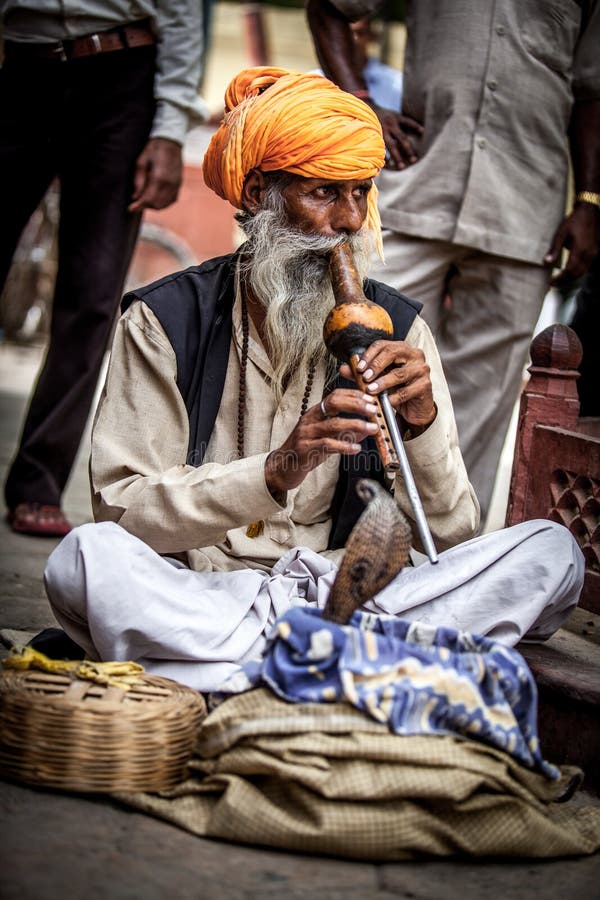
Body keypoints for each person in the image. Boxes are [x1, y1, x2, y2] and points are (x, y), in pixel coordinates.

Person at [44, 67, 584, 693]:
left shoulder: (399, 330)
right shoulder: (164, 319)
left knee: (552, 552)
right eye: (325, 193)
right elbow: (122, 511)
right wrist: (276, 471)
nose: (349, 220)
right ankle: (355, 669)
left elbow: (452, 537)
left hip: (352, 597)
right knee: (87, 559)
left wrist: (422, 426)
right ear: (257, 193)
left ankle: (251, 669)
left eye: (361, 193)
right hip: (206, 589)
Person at [306, 0, 600, 524]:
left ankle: (451, 549)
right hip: (414, 191)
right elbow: (330, 7)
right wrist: (362, 105)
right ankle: (340, 536)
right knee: (356, 367)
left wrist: (590, 201)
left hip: (524, 210)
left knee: (478, 412)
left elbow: (592, 90)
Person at [1, 0, 204, 537]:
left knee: (91, 297)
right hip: (19, 65)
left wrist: (170, 129)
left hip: (121, 76)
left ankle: (39, 481)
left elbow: (182, 12)